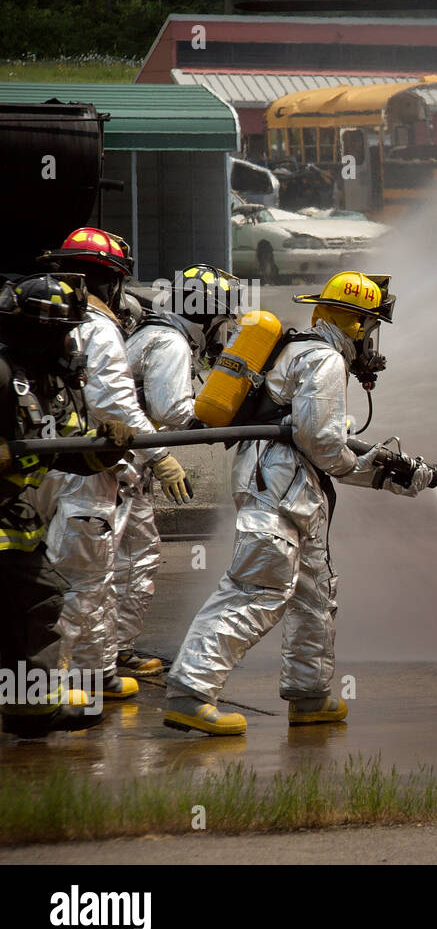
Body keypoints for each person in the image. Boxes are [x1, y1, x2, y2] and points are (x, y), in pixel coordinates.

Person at [165, 271, 437, 736]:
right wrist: (375, 469)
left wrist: (387, 473)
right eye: (370, 328)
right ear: (354, 324)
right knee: (258, 590)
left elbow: (318, 442)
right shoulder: (324, 359)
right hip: (279, 494)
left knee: (315, 593)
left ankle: (310, 695)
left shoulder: (299, 351)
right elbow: (323, 443)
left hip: (295, 494)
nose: (371, 342)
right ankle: (190, 693)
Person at [37, 228, 192, 705]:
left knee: (94, 577)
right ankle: (46, 689)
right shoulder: (99, 328)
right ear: (110, 282)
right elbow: (117, 406)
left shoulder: (51, 321)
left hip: (54, 467)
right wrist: (161, 457)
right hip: (88, 475)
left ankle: (95, 674)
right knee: (81, 580)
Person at [0, 274, 132, 738]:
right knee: (30, 603)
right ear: (32, 332)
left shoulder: (50, 381)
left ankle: (30, 711)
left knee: (33, 604)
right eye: (59, 332)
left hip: (13, 522)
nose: (68, 342)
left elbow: (66, 451)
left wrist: (107, 448)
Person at [112, 264, 237, 676]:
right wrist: (224, 417)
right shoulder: (170, 344)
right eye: (221, 319)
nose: (223, 329)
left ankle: (106, 650)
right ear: (205, 315)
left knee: (123, 557)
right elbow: (173, 411)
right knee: (136, 558)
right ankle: (108, 655)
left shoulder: (153, 331)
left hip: (122, 464)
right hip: (121, 468)